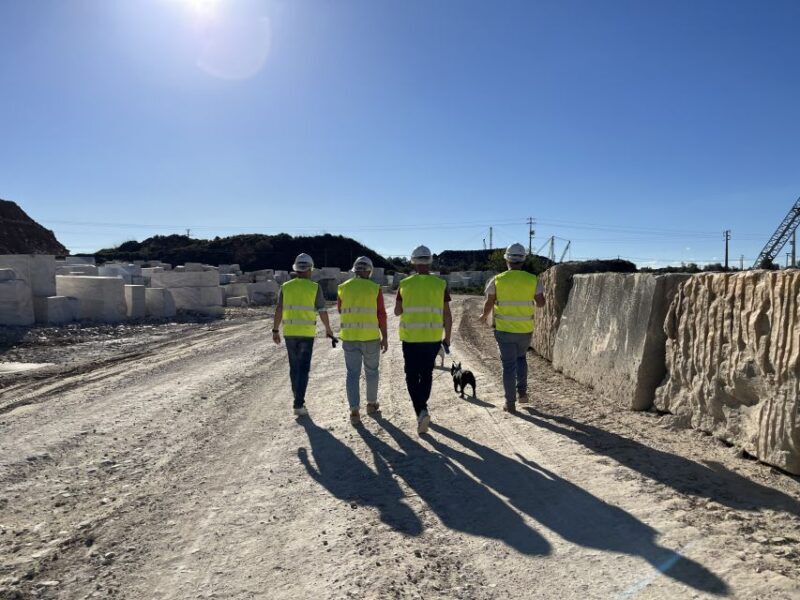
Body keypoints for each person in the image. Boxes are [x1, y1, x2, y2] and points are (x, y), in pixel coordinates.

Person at [478, 243, 545, 414]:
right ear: (523, 260)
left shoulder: (497, 279)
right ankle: (522, 393)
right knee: (521, 358)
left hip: (504, 330)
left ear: (507, 259)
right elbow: (541, 303)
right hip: (525, 329)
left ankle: (510, 403)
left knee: (508, 366)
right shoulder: (532, 279)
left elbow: (489, 302)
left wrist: (484, 316)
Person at [395, 245, 452, 434]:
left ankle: (421, 410)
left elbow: (397, 311)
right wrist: (447, 338)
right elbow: (447, 315)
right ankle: (422, 408)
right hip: (432, 338)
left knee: (411, 375)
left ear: (413, 262)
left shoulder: (405, 284)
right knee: (426, 374)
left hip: (411, 338)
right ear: (429, 261)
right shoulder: (440, 284)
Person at [272, 253, 335, 416]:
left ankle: (297, 398)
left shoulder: (286, 286)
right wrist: (328, 329)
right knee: (303, 369)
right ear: (310, 269)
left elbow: (279, 309)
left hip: (290, 333)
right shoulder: (315, 287)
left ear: (296, 269)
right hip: (306, 334)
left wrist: (275, 330)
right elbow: (322, 310)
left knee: (294, 368)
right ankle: (298, 403)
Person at [337, 256, 389, 426]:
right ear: (369, 271)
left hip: (350, 337)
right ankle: (371, 405)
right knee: (371, 372)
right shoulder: (375, 288)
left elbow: (340, 309)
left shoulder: (343, 288)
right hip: (370, 337)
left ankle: (354, 412)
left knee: (352, 374)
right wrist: (385, 336)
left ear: (355, 270)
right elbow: (381, 314)